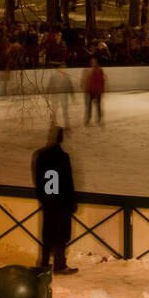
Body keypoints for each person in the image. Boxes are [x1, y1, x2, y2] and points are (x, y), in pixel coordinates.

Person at [31, 126, 79, 275]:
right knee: (62, 234)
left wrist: (42, 196)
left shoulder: (41, 155)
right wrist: (71, 201)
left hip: (48, 200)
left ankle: (44, 263)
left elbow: (38, 178)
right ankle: (60, 264)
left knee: (48, 232)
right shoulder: (63, 157)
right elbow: (67, 182)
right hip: (61, 201)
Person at [82, 56, 106, 125]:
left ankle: (99, 119)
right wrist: (85, 88)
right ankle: (88, 119)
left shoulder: (99, 71)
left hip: (97, 91)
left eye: (94, 61)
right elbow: (86, 80)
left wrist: (103, 88)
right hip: (90, 91)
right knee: (89, 107)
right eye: (92, 61)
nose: (93, 63)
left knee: (98, 106)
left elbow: (102, 80)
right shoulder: (88, 70)